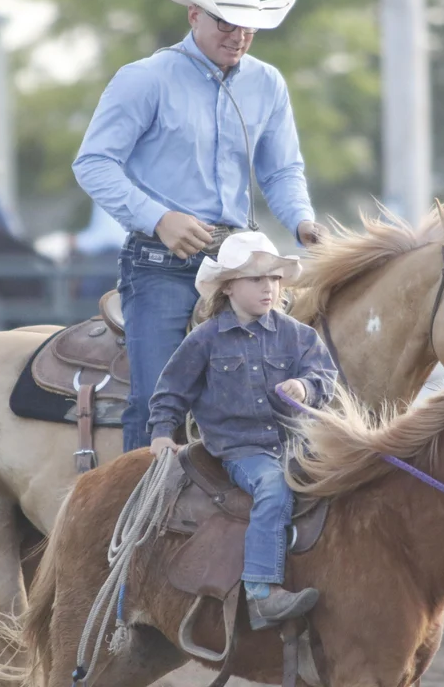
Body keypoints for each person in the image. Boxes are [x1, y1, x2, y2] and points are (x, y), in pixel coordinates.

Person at [73, 0, 326, 452]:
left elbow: (280, 171)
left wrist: (301, 220)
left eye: (247, 25)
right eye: (225, 23)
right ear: (193, 15)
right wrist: (159, 218)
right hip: (159, 264)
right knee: (156, 401)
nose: (238, 36)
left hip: (239, 264)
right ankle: (137, 518)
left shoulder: (268, 84)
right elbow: (93, 163)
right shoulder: (145, 78)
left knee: (290, 385)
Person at [148, 231, 337, 629]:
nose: (268, 287)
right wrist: (162, 431)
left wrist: (305, 386)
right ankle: (261, 590)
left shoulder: (299, 335)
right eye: (256, 279)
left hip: (296, 442)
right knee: (273, 488)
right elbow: (171, 389)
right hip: (241, 449)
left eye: (273, 279)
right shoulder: (205, 340)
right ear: (229, 287)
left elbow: (326, 378)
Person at [72, 203, 127, 299]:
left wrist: (74, 241)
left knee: (89, 291)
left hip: (115, 256)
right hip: (118, 255)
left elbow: (107, 236)